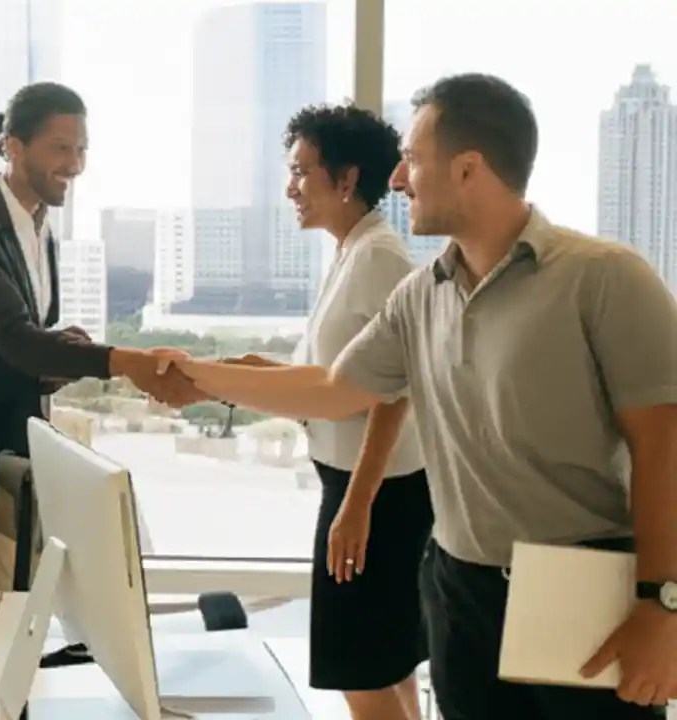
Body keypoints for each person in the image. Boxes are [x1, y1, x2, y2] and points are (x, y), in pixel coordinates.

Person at [165, 74, 677, 719]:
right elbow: (332, 389)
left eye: (413, 158)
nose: (400, 179)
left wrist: (662, 606)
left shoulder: (605, 278)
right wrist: (192, 373)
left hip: (580, 589)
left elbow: (664, 450)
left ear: (468, 169)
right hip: (459, 588)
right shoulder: (420, 294)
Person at [0, 81, 201, 497]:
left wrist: (64, 349)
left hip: (21, 443)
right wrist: (128, 362)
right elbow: (15, 341)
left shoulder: (42, 228)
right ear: (14, 147)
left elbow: (29, 345)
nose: (75, 164)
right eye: (61, 148)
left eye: (81, 150)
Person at [267, 103, 431, 720]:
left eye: (302, 172)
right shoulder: (351, 253)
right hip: (359, 486)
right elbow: (325, 376)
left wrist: (356, 504)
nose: (291, 187)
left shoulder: (380, 259)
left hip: (377, 493)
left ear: (346, 179)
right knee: (387, 663)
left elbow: (397, 386)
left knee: (358, 669)